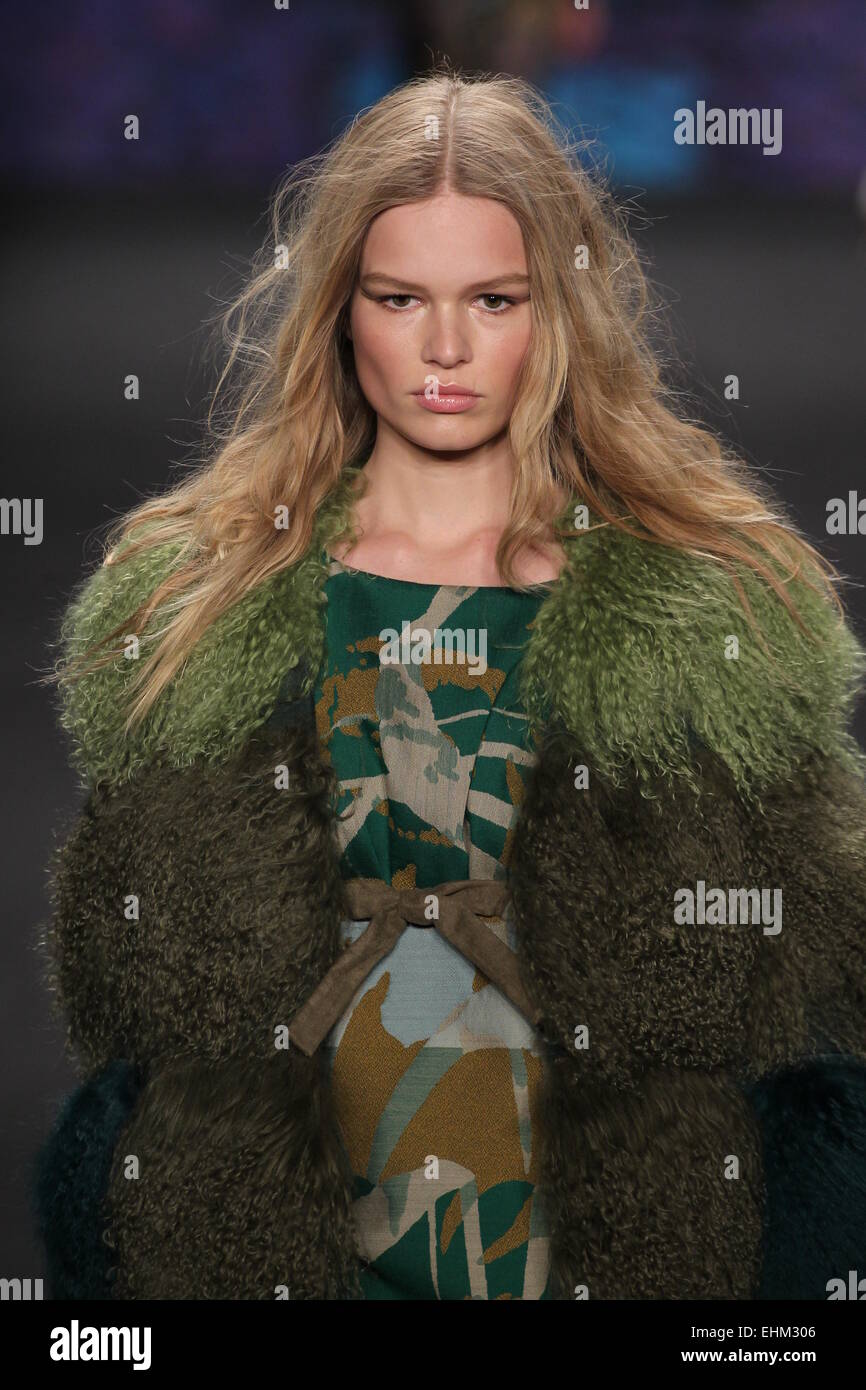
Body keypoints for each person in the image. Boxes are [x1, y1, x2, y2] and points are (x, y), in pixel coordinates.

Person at [34, 67, 866, 1301]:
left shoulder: (702, 611)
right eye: (398, 297)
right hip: (279, 1249)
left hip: (615, 1248)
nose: (442, 349)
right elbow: (137, 998)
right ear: (340, 310)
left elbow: (814, 990)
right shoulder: (199, 602)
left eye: (492, 299)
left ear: (559, 313)